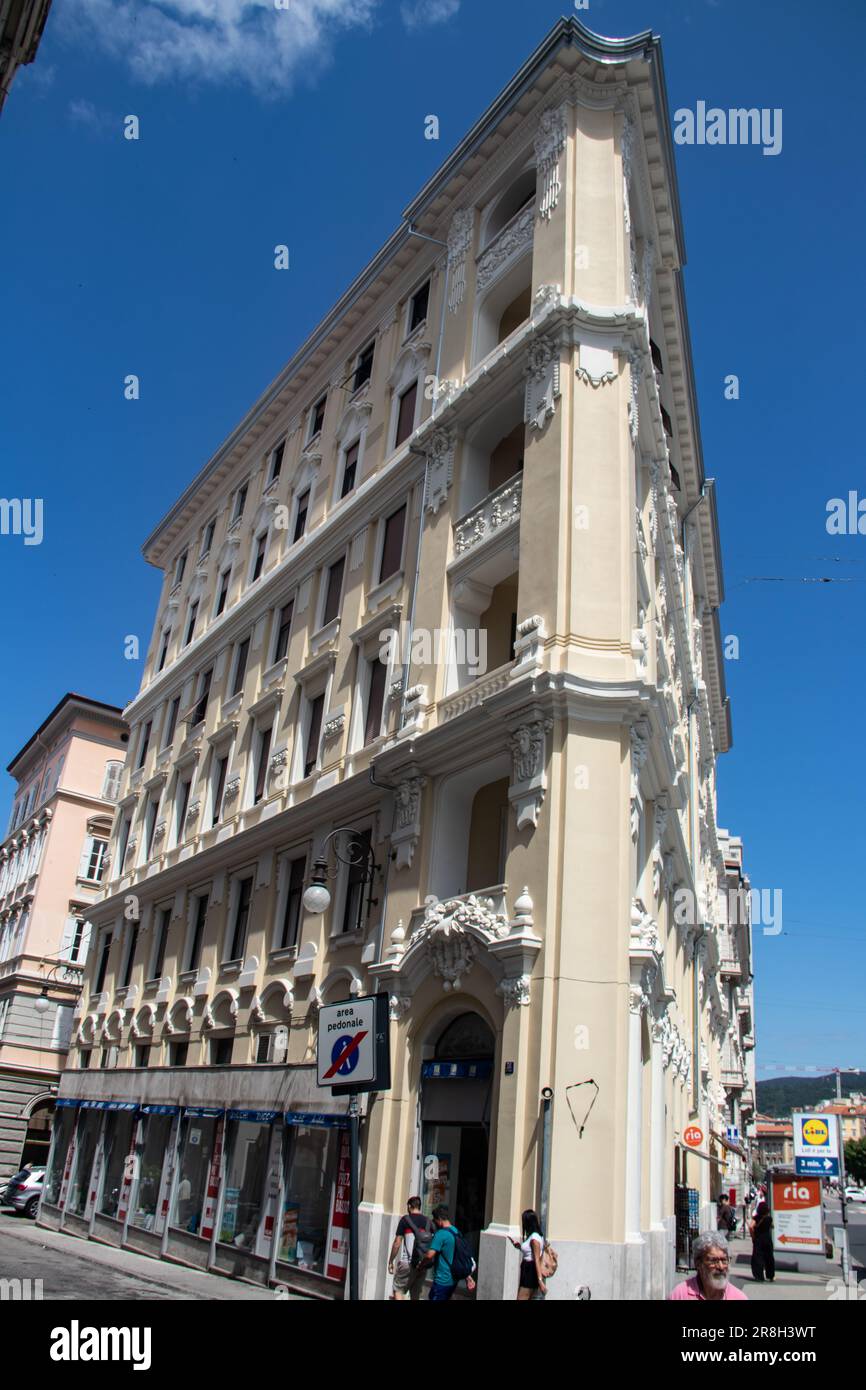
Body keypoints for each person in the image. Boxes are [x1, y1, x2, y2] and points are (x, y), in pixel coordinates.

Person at [669, 1231, 748, 1300]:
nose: (720, 1267)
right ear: (698, 1263)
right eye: (713, 1260)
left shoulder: (738, 1297)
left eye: (724, 1260)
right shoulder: (680, 1295)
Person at [422, 1205, 476, 1300]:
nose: (434, 1223)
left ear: (439, 1219)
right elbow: (459, 1255)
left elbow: (430, 1255)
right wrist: (467, 1276)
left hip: (442, 1279)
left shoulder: (441, 1234)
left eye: (435, 1220)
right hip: (453, 1280)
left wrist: (421, 1264)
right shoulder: (455, 1231)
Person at [387, 1196, 433, 1301]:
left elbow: (397, 1243)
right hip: (422, 1265)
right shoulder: (427, 1222)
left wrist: (391, 1261)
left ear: (409, 1206)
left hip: (407, 1263)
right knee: (415, 1296)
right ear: (419, 1207)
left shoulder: (405, 1220)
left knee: (398, 1290)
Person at [509, 1208, 548, 1299]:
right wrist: (519, 1246)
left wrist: (540, 1281)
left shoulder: (534, 1238)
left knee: (521, 1298)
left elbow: (537, 1259)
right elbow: (530, 1252)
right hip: (528, 1269)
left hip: (530, 1270)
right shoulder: (536, 1236)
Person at [749, 1184, 775, 1282]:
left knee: (758, 1257)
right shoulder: (769, 1218)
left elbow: (751, 1226)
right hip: (767, 1239)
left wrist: (753, 1236)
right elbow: (772, 1226)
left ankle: (759, 1276)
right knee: (769, 1257)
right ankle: (770, 1275)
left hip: (759, 1239)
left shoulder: (756, 1218)